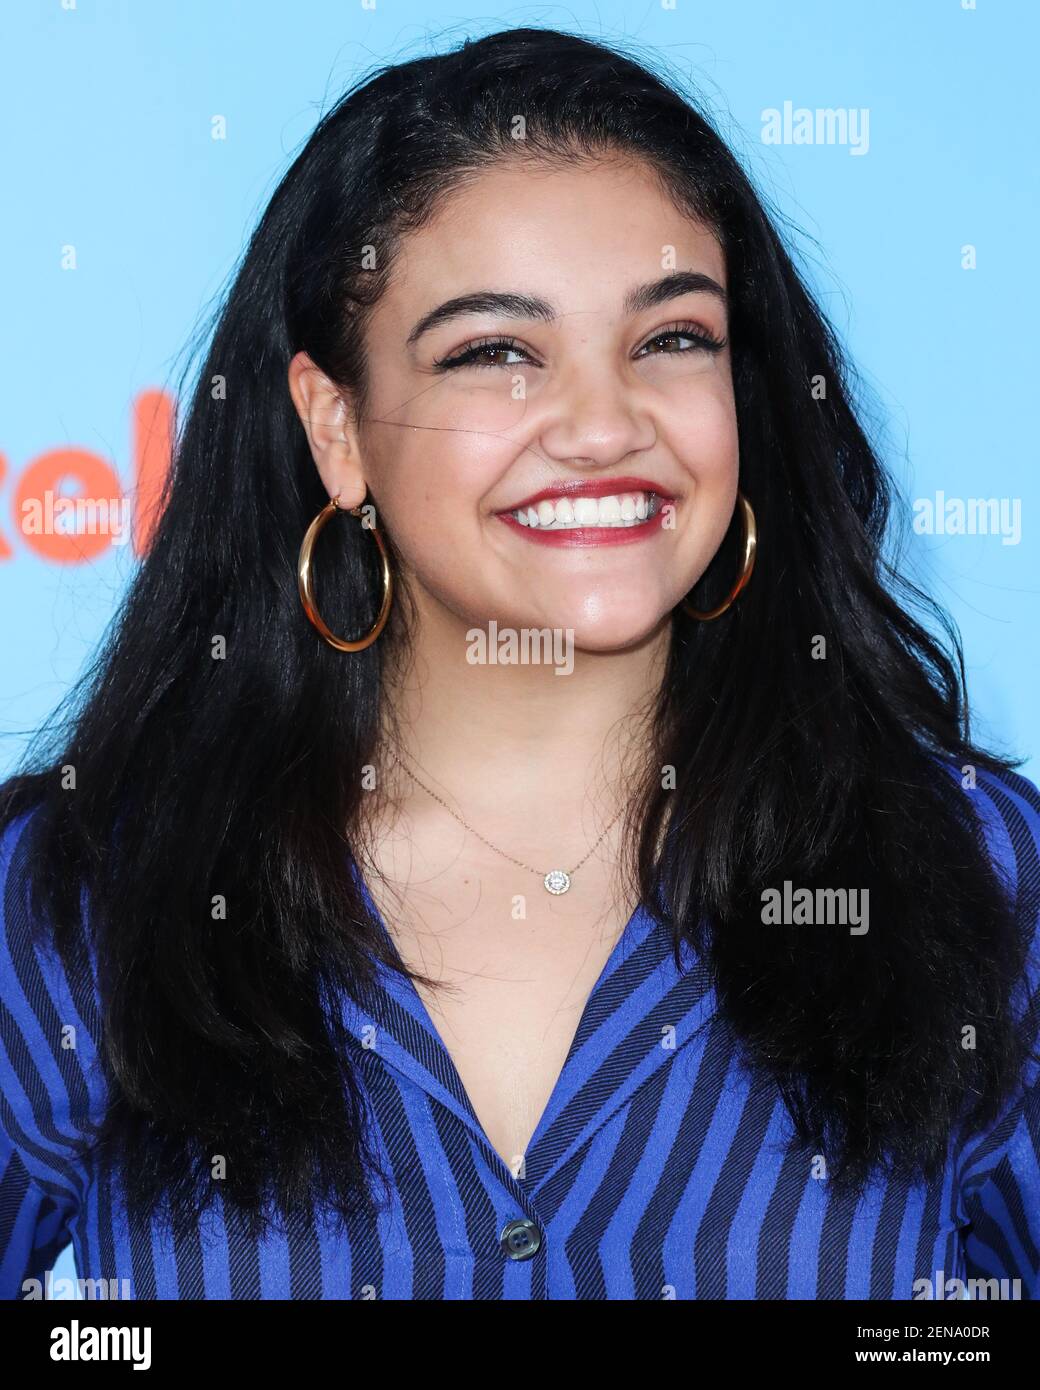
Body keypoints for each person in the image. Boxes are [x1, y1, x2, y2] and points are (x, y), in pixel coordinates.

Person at [1, 26, 1037, 1301]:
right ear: (336, 429)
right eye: (494, 351)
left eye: (671, 340)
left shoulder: (986, 884)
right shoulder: (82, 904)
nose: (605, 426)